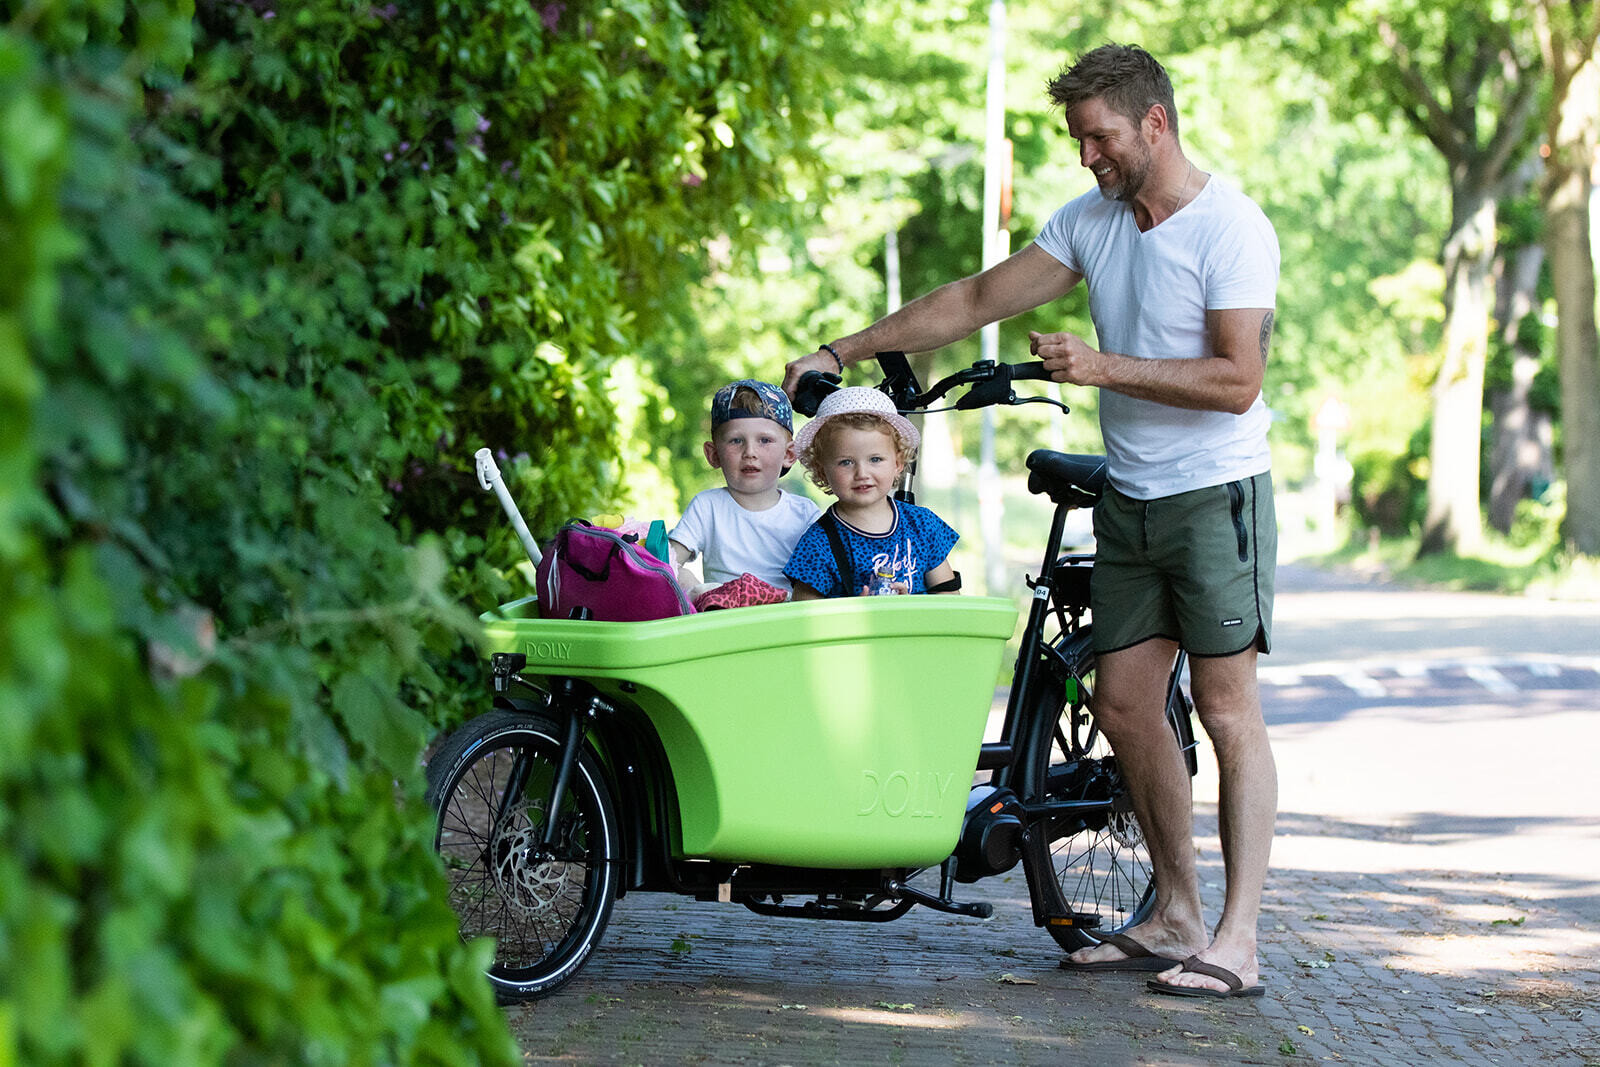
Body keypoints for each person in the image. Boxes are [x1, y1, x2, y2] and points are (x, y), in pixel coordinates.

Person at [783, 43, 1279, 998]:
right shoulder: (1090, 222)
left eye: (1100, 137)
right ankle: (1174, 909)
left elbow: (1236, 380)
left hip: (1217, 492)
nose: (1087, 156)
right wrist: (839, 348)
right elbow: (972, 301)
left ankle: (1238, 937)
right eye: (1076, 140)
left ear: (1154, 124)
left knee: (1224, 708)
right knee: (1127, 703)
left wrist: (1103, 366)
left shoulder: (1231, 229)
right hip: (1132, 495)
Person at [784, 387, 960, 599]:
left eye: (875, 459)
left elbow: (950, 598)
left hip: (920, 631)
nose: (862, 473)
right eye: (846, 462)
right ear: (822, 471)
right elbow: (805, 618)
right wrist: (856, 614)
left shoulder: (922, 525)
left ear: (898, 463)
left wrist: (912, 605)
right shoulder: (818, 543)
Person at [669, 379, 820, 604]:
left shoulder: (805, 513)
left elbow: (825, 572)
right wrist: (685, 580)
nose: (750, 452)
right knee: (675, 575)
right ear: (714, 455)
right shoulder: (708, 506)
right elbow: (668, 559)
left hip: (785, 619)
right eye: (736, 440)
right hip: (726, 618)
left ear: (789, 454)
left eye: (764, 440)